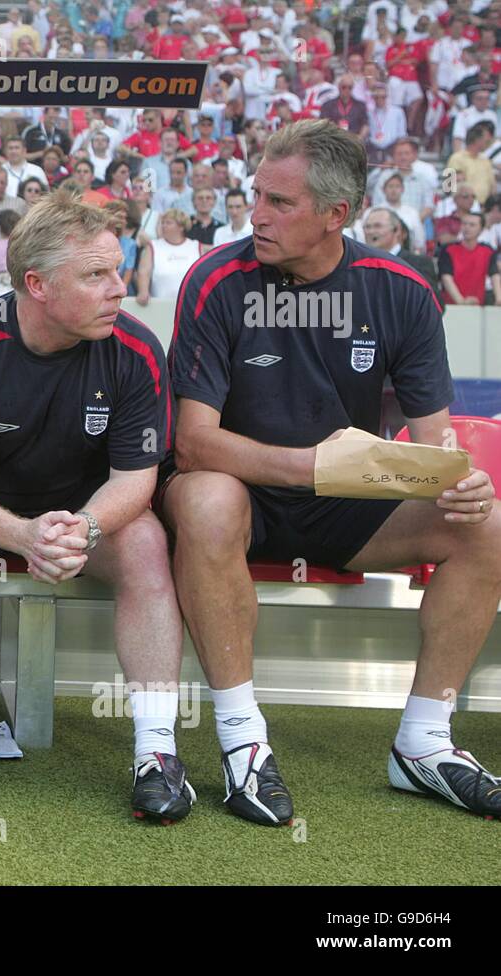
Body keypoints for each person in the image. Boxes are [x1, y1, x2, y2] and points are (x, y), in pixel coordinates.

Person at [161, 120, 501, 826]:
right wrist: (311, 466)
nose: (255, 214)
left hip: (347, 498)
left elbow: (435, 448)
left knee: (485, 525)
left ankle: (424, 744)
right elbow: (192, 443)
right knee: (202, 499)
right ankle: (242, 741)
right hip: (243, 497)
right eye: (255, 195)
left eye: (279, 202)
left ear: (335, 215)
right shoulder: (215, 280)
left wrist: (458, 481)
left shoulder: (401, 290)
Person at [0, 196, 190, 820]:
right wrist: (22, 535)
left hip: (83, 513)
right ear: (37, 284)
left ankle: (158, 751)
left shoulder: (136, 350)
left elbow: (137, 478)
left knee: (148, 544)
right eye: (96, 275)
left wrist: (87, 527)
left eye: (118, 270)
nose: (119, 289)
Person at [136, 209, 203, 304]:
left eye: (168, 223)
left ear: (181, 227)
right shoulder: (153, 246)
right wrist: (143, 291)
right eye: (162, 223)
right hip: (161, 305)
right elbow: (144, 271)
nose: (163, 226)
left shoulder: (196, 246)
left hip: (191, 304)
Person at [438, 210, 500, 305]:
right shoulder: (448, 249)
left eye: (472, 225)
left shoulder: (488, 251)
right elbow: (446, 278)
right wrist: (461, 301)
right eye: (464, 224)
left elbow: (494, 275)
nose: (467, 228)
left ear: (481, 229)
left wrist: (499, 298)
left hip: (477, 305)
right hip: (451, 305)